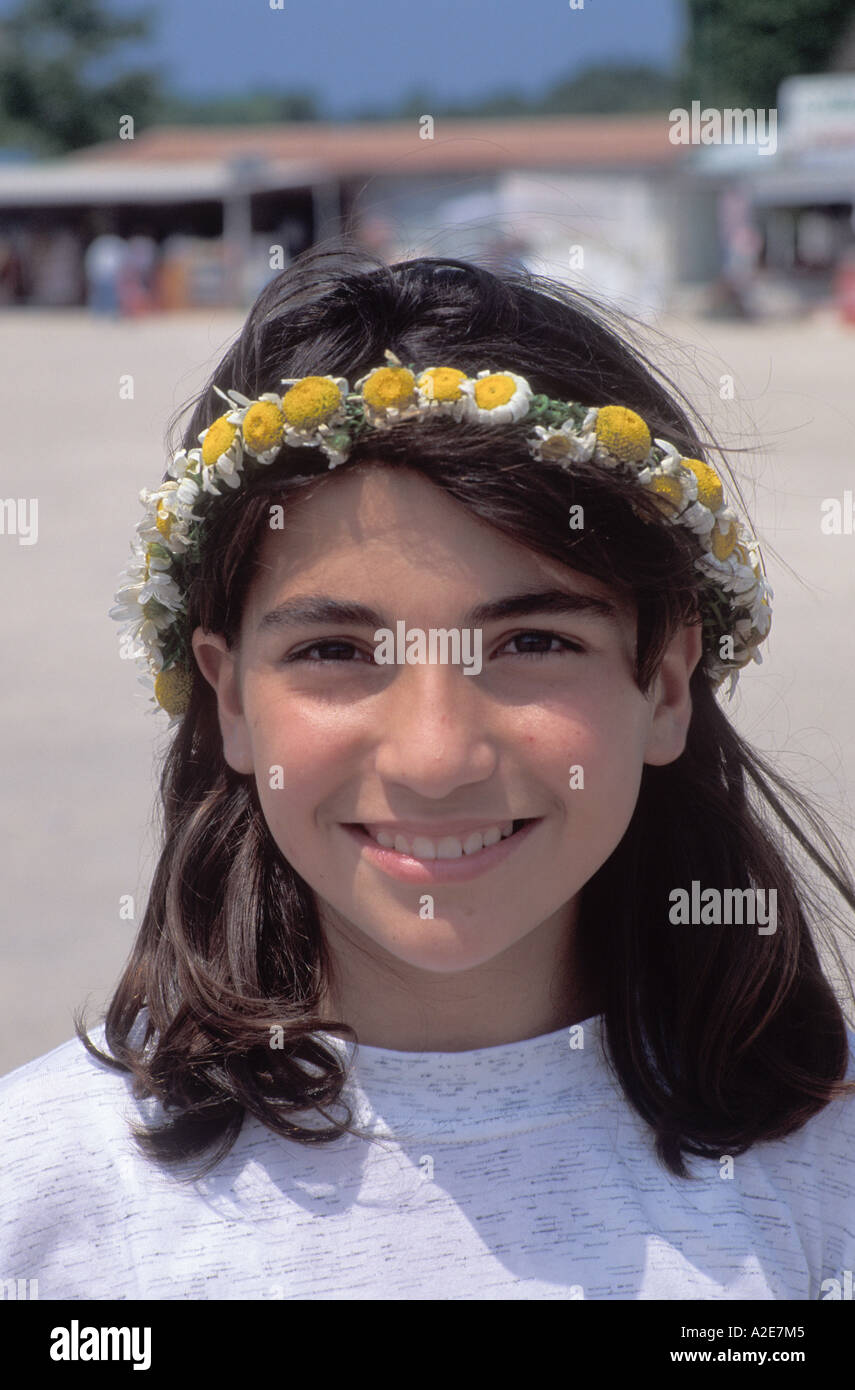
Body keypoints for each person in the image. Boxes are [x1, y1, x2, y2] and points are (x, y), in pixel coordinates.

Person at [1, 240, 854, 1302]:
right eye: (335, 652)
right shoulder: (40, 1201)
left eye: (533, 642)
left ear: (667, 685)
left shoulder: (827, 1173)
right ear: (228, 698)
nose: (436, 757)